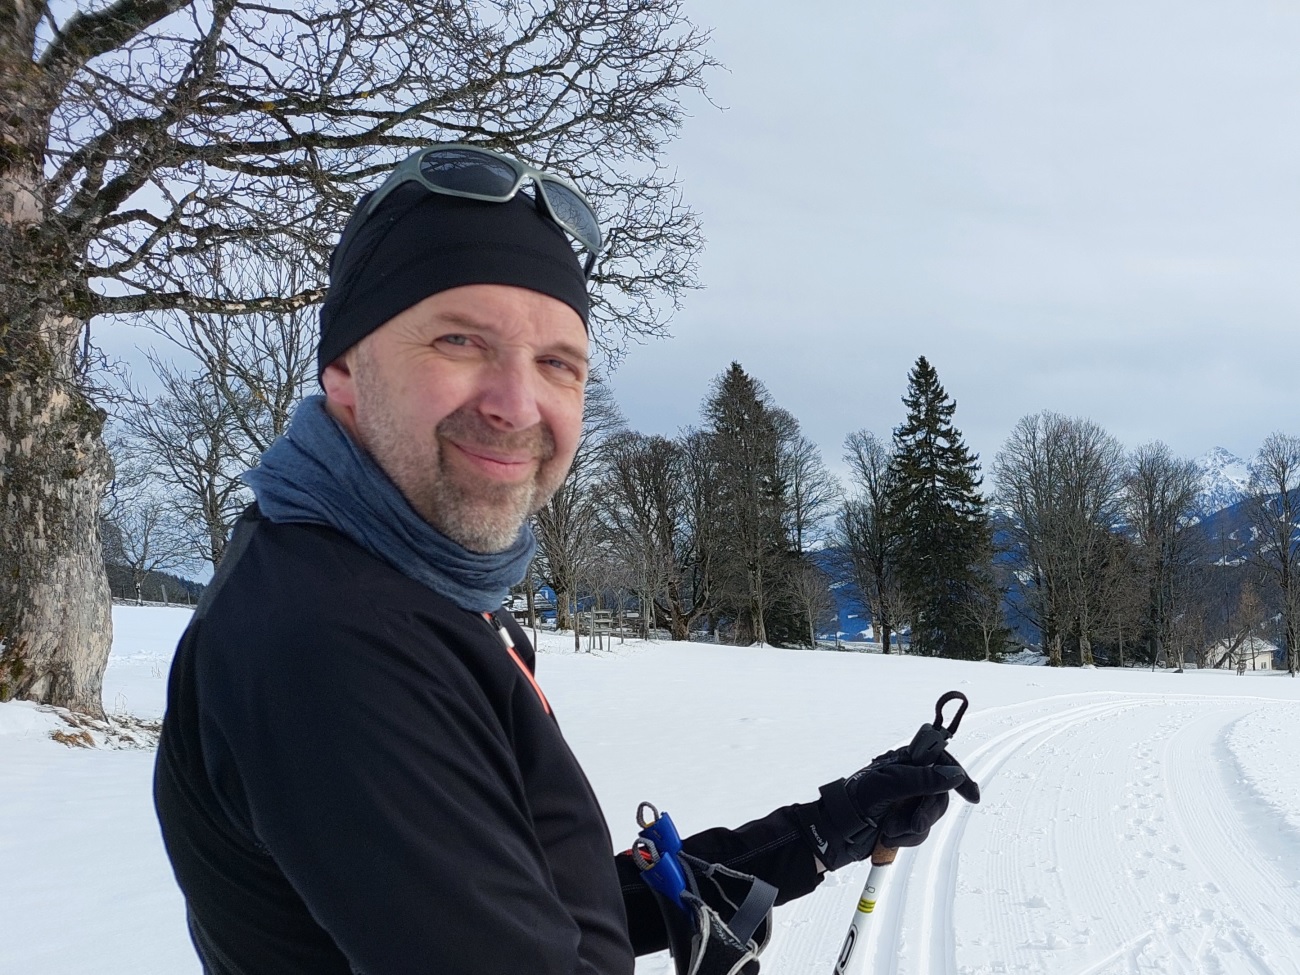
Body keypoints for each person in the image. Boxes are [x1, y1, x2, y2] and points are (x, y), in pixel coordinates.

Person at [153, 144, 980, 975]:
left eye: (557, 363)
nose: (517, 404)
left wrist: (825, 827)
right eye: (459, 340)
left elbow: (546, 905)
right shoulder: (336, 644)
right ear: (345, 372)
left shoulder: (409, 587)